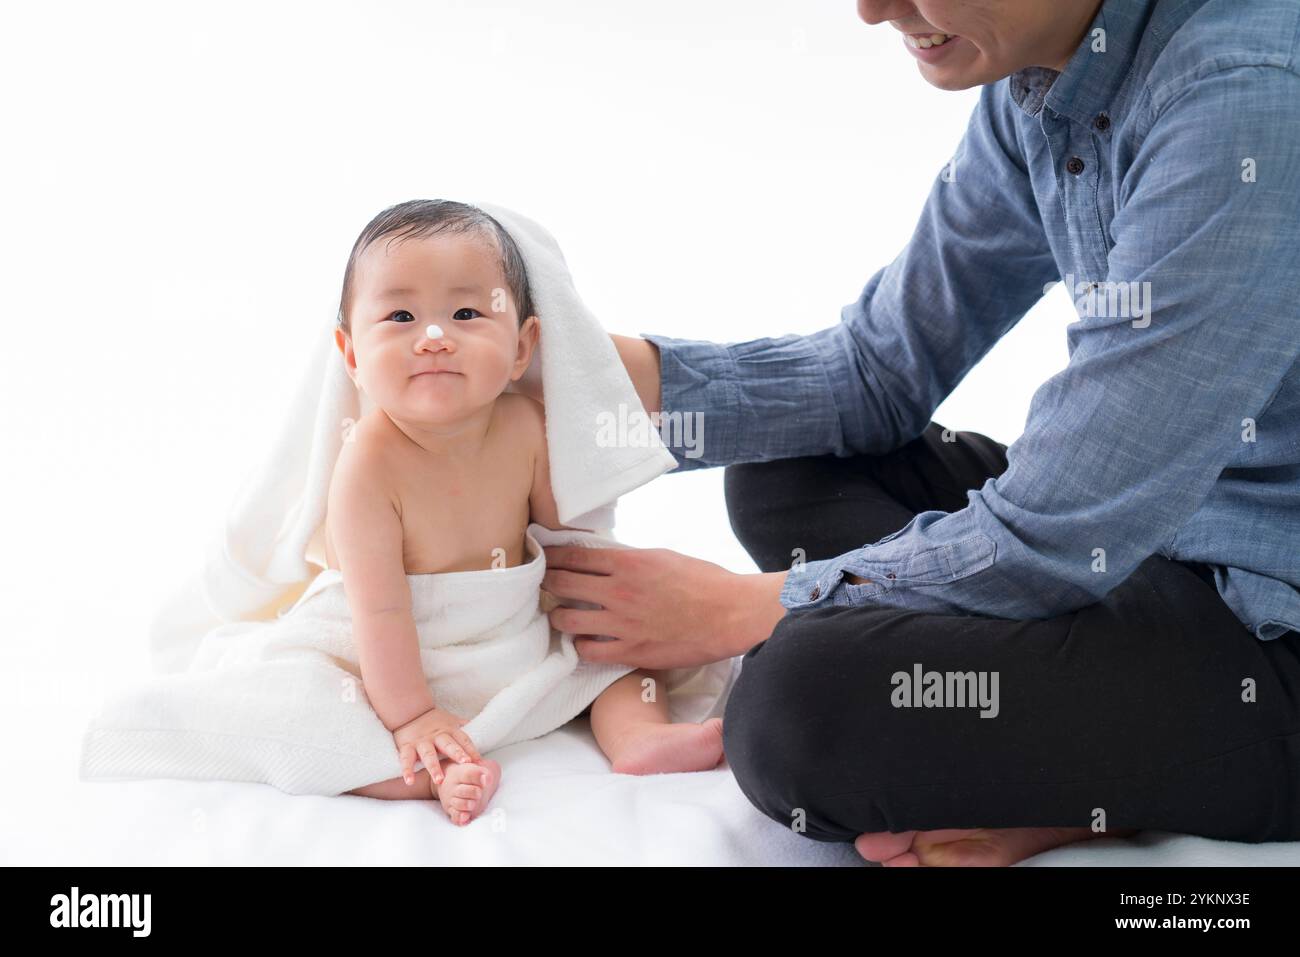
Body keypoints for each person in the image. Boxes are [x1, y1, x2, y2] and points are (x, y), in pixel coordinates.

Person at [538, 0, 1300, 865]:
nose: (872, 9)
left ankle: (1107, 777)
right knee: (794, 470)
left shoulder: (1250, 100)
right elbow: (878, 370)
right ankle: (1085, 763)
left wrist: (741, 609)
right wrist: (575, 382)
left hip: (1271, 618)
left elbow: (1057, 525)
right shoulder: (1045, 71)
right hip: (1151, 535)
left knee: (799, 709)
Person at [326, 199, 725, 824]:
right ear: (352, 353)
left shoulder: (525, 427)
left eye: (465, 312)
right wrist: (413, 714)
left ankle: (638, 735)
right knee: (325, 716)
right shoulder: (367, 466)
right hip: (404, 652)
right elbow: (378, 611)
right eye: (401, 315)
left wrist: (605, 611)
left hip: (517, 630)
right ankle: (429, 771)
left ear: (522, 346)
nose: (434, 336)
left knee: (620, 650)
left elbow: (563, 543)